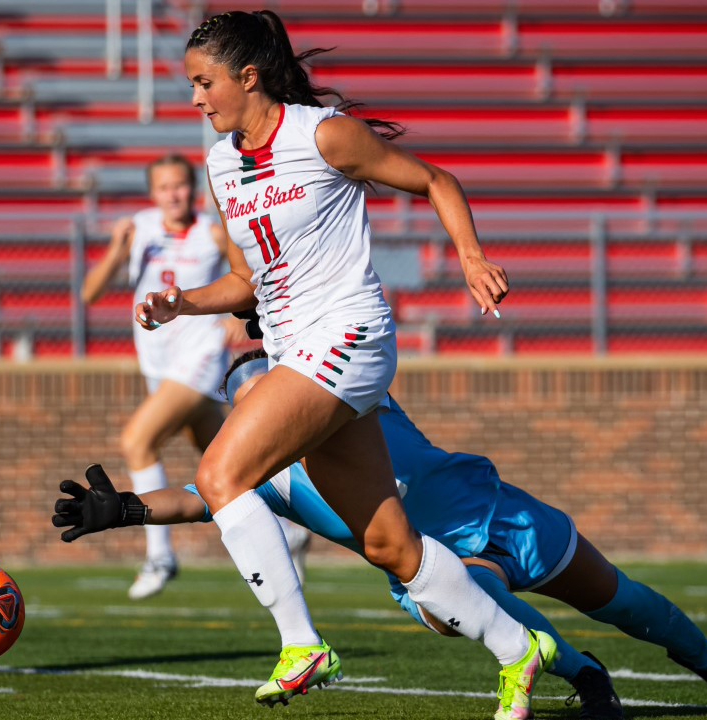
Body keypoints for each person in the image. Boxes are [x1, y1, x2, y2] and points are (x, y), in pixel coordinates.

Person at [130, 11, 549, 719]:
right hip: (299, 353)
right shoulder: (220, 163)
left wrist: (471, 257)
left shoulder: (322, 134)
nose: (196, 99)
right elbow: (245, 283)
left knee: (220, 473)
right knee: (392, 544)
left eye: (204, 83)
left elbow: (438, 181)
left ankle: (302, 644)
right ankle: (518, 649)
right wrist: (181, 304)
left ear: (248, 77)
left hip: (350, 335)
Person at [52, 351, 707, 718]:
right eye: (241, 402)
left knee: (627, 603)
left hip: (498, 511)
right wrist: (122, 510)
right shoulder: (261, 476)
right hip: (433, 561)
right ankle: (586, 677)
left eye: (261, 392)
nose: (252, 410)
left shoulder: (349, 390)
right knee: (470, 609)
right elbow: (196, 497)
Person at [80, 154, 250, 599]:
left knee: (137, 441)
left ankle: (159, 555)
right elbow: (88, 292)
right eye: (163, 187)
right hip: (158, 364)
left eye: (180, 185)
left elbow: (250, 278)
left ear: (192, 189)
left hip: (199, 358)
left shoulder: (213, 233)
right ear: (152, 193)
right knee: (227, 456)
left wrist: (241, 315)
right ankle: (288, 520)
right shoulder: (141, 229)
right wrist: (118, 248)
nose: (173, 194)